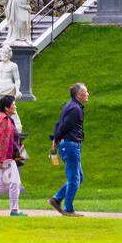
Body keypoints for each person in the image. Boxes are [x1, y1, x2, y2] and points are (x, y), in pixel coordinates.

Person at [47, 83, 87, 216]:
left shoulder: (69, 106)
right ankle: (68, 208)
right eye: (85, 92)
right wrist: (56, 138)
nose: (88, 95)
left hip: (69, 145)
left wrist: (56, 139)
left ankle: (57, 199)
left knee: (78, 177)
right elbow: (64, 126)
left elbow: (58, 124)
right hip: (71, 145)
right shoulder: (75, 108)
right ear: (78, 95)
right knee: (74, 178)